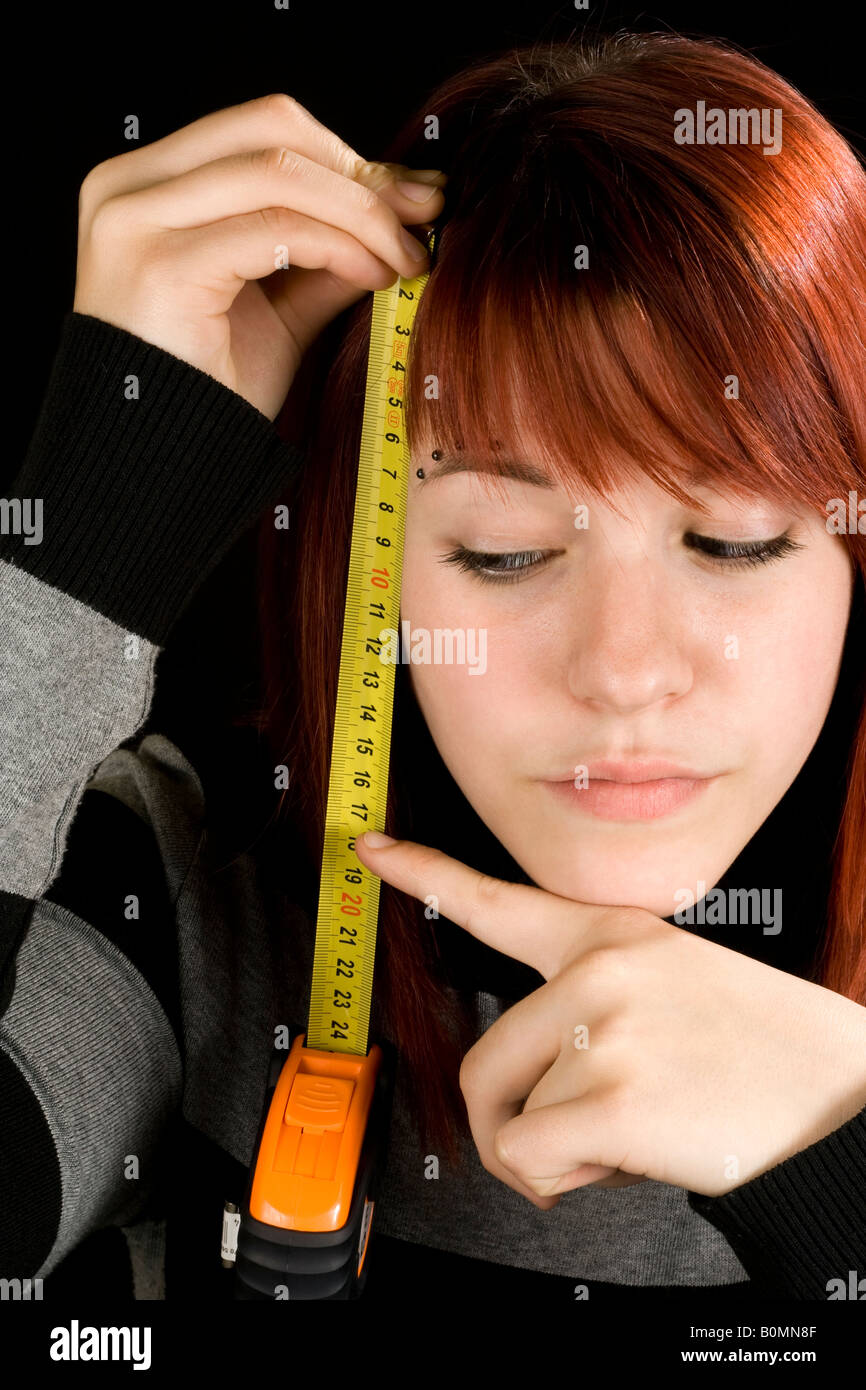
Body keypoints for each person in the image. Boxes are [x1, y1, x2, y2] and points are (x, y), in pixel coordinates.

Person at [1, 31, 864, 1303]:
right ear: (370, 565)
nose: (623, 673)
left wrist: (835, 1164)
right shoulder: (187, 886)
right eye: (508, 553)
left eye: (731, 540)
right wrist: (83, 539)